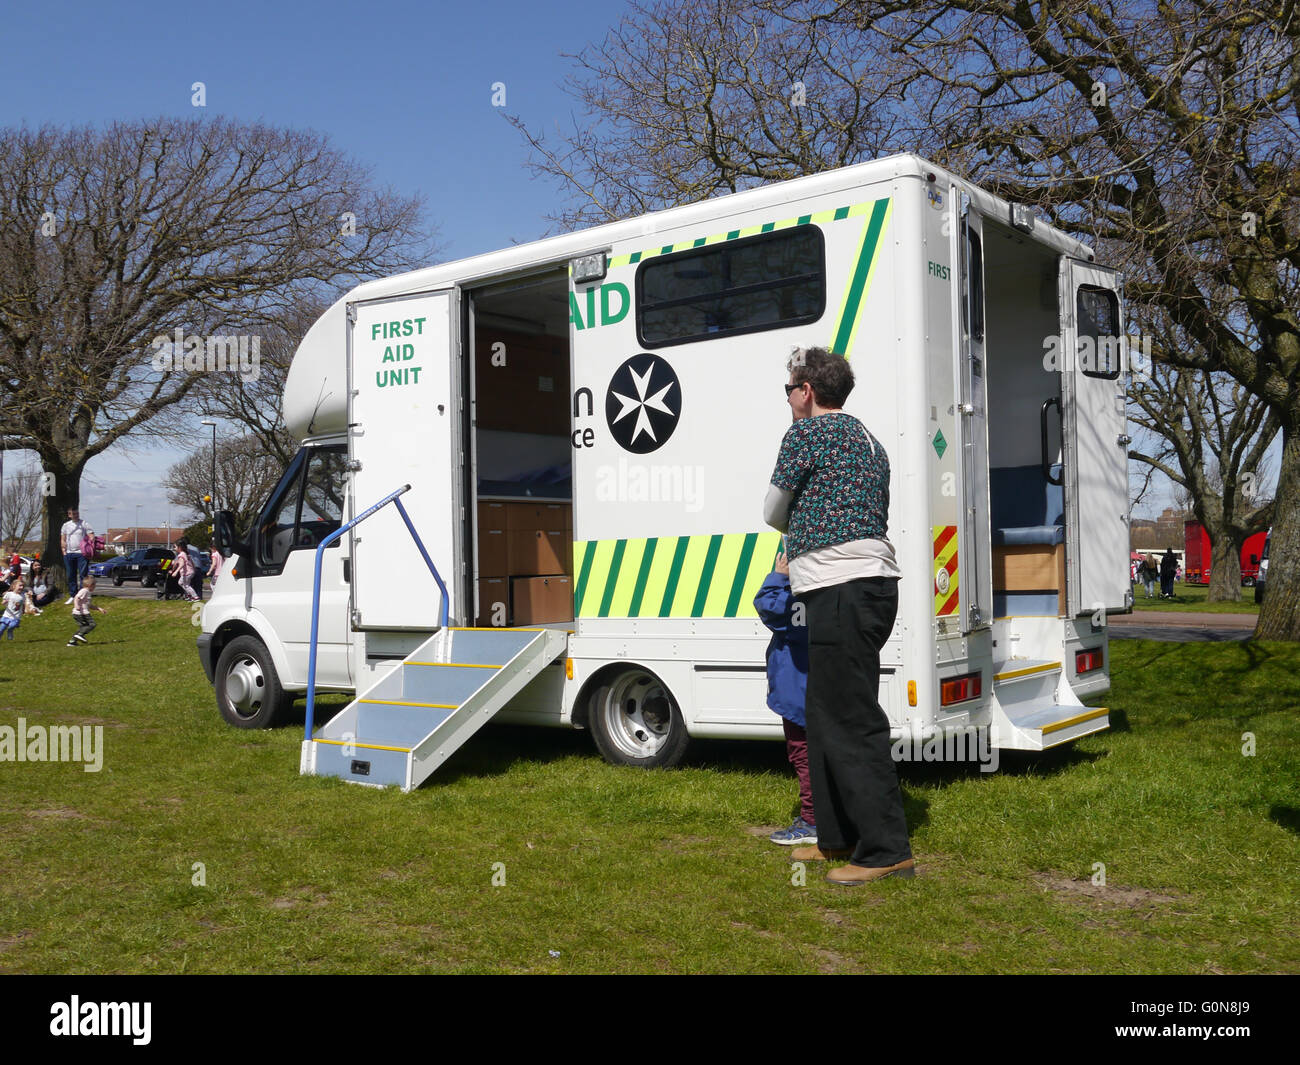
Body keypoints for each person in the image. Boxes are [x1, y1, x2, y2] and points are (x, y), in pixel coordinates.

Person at [763, 347, 913, 885]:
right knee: (824, 713)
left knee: (849, 718)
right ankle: (836, 838)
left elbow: (772, 512)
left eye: (788, 389)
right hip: (867, 586)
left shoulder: (804, 435)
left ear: (806, 390)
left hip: (840, 589)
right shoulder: (870, 441)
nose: (786, 398)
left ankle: (885, 851)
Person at [753, 547, 815, 846]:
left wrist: (778, 577)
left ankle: (812, 821)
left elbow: (769, 606)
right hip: (820, 692)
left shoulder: (799, 606)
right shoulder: (829, 598)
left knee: (804, 754)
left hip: (798, 696)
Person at [60, 508, 95, 605]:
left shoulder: (84, 524)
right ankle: (73, 595)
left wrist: (89, 544)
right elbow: (63, 539)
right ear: (69, 515)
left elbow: (91, 535)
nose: (76, 515)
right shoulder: (66, 525)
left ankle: (82, 594)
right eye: (73, 514)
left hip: (81, 553)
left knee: (83, 574)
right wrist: (64, 551)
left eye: (77, 513)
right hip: (69, 553)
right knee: (71, 574)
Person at [68, 576, 106, 646]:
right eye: (94, 585)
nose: (95, 587)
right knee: (92, 624)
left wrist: (99, 609)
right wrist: (76, 605)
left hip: (78, 613)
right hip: (81, 613)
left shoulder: (87, 592)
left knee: (83, 627)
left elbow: (89, 605)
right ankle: (80, 635)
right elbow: (76, 597)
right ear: (90, 585)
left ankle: (72, 641)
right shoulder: (84, 591)